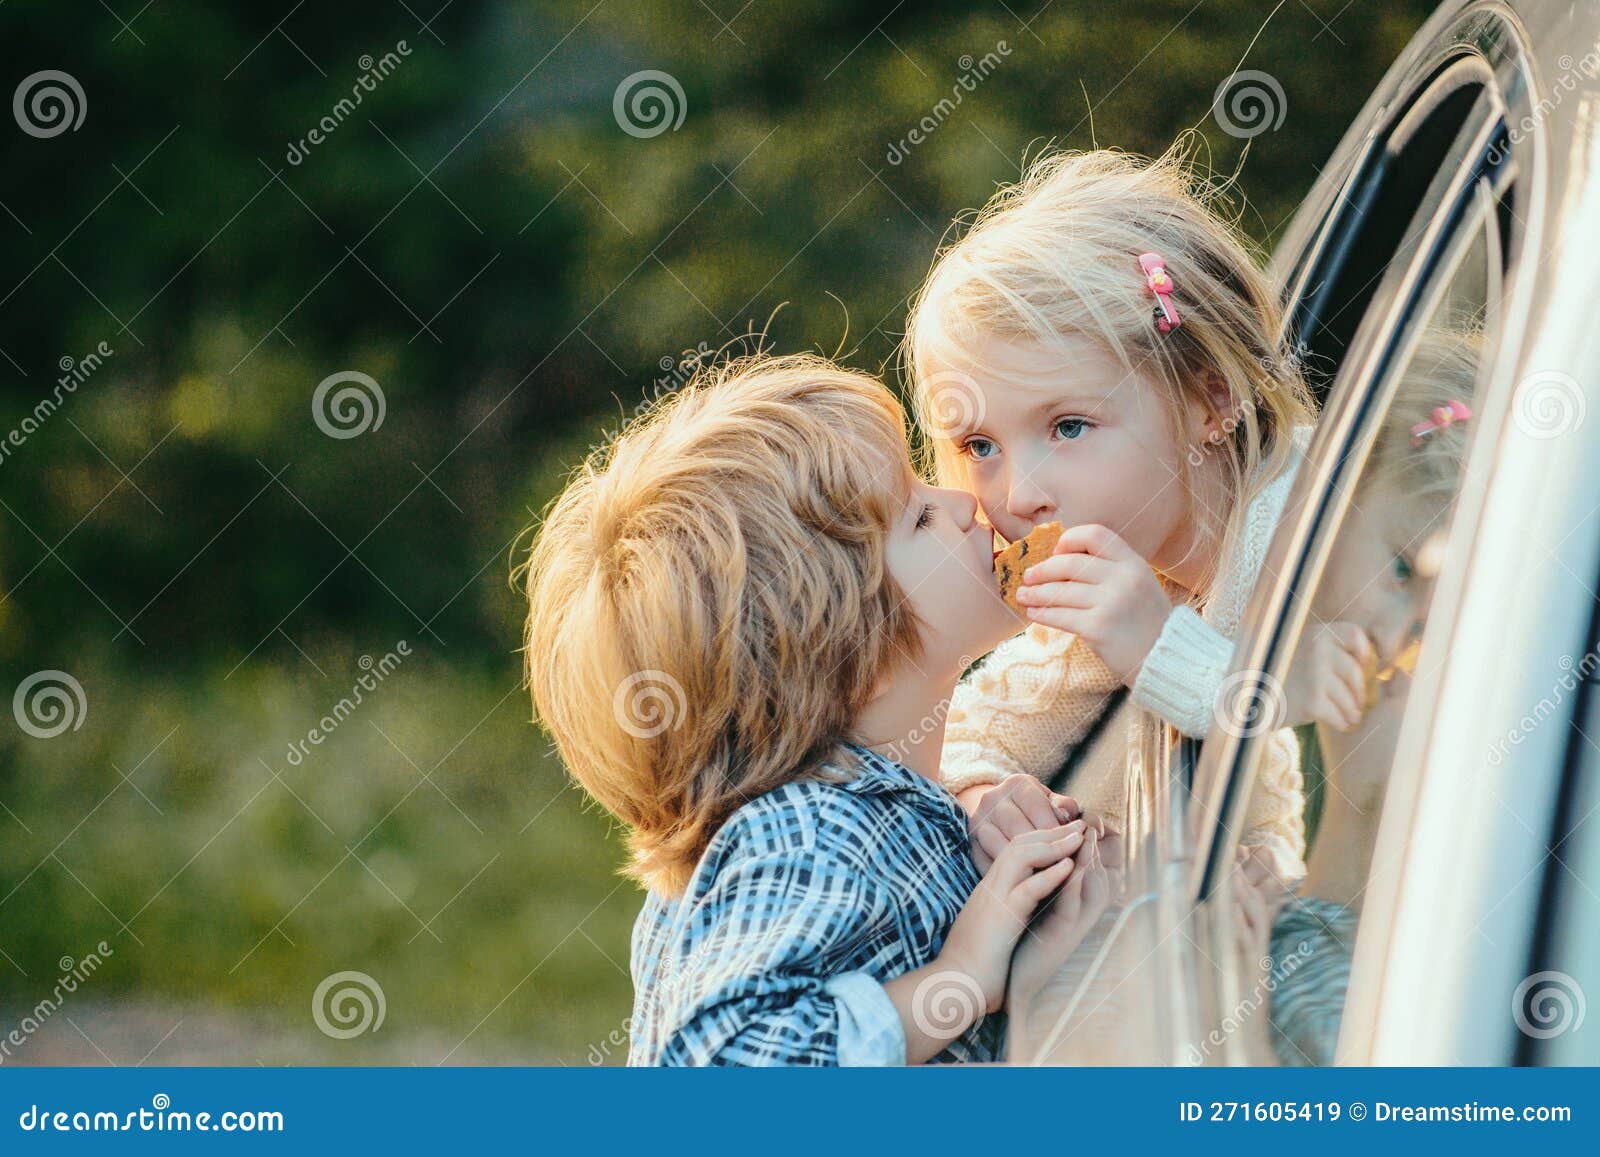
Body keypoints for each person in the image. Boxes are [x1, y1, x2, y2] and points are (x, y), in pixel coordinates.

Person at [519, 352, 1117, 1066]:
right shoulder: (807, 830)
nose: (965, 505)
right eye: (922, 516)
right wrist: (956, 980)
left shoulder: (875, 807)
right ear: (846, 644)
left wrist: (1026, 970)